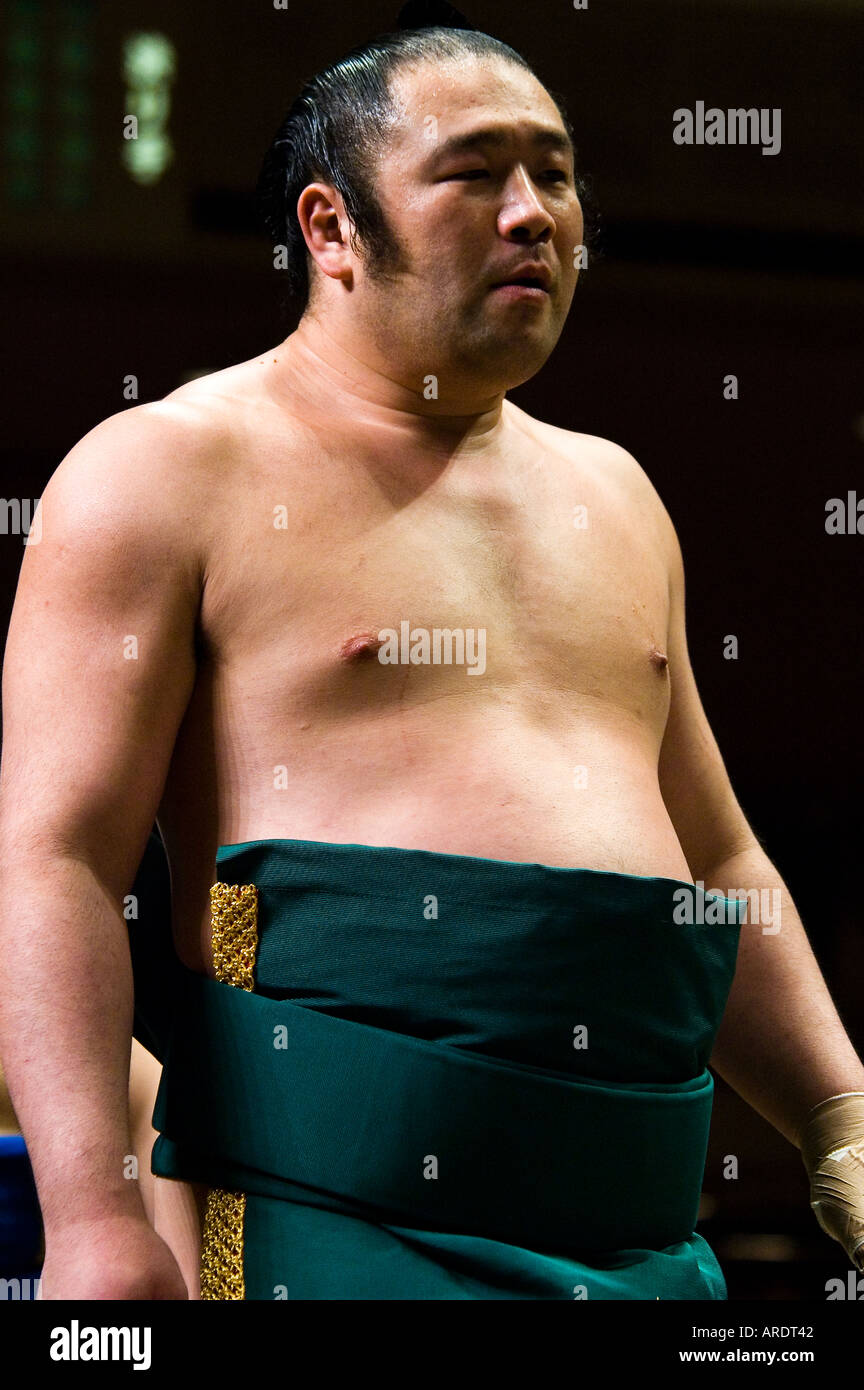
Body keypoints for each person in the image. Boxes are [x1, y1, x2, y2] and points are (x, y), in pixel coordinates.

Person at [0, 22, 862, 1301]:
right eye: (475, 174)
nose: (533, 215)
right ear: (332, 229)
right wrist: (91, 1219)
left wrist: (842, 1117)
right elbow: (59, 856)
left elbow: (718, 860)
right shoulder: (163, 471)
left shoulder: (617, 495)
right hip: (323, 1222)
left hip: (644, 1243)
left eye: (555, 174)